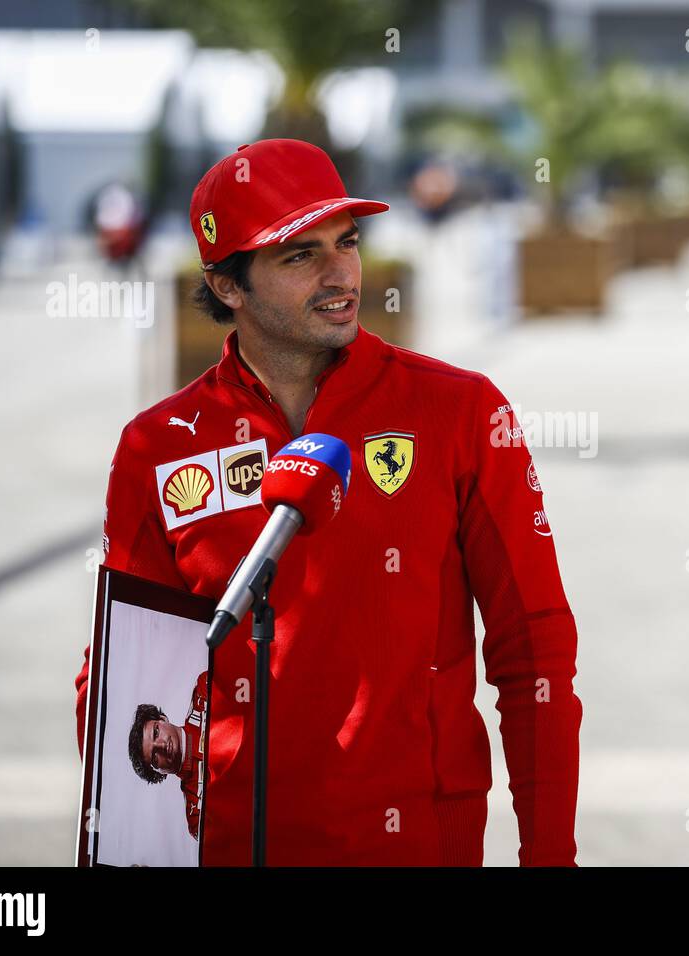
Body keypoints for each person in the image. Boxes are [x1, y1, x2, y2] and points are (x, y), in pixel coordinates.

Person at [75, 139, 582, 866]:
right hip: (228, 848)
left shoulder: (461, 410)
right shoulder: (157, 446)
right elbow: (123, 671)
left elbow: (534, 652)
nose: (341, 271)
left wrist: (550, 856)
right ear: (227, 287)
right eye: (298, 255)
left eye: (346, 242)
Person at [128, 671, 207, 839]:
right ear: (158, 772)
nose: (162, 745)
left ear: (163, 718)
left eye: (156, 732)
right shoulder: (196, 817)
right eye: (154, 756)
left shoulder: (205, 692)